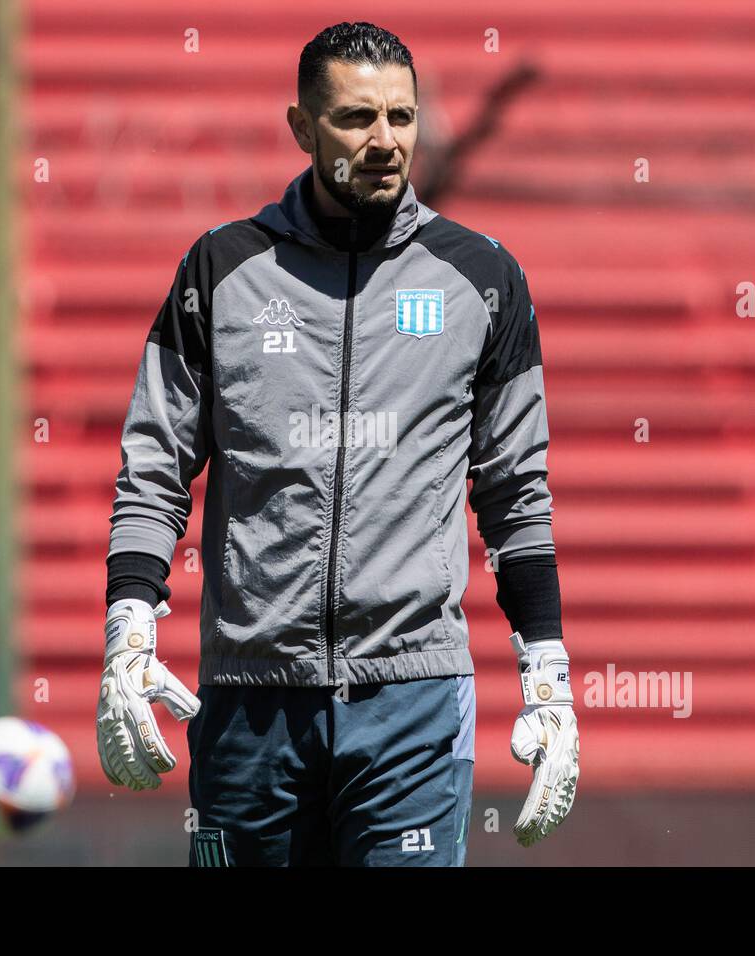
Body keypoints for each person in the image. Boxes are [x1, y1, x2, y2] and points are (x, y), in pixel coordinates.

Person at [96, 21, 577, 866]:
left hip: (413, 701)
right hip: (250, 700)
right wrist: (129, 629)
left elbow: (514, 492)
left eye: (402, 116)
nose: (385, 142)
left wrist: (548, 671)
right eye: (356, 119)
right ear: (301, 126)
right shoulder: (221, 270)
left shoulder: (484, 280)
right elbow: (155, 465)